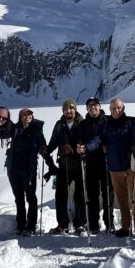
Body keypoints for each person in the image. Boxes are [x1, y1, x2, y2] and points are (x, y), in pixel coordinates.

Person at [0, 94, 58, 236]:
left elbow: (43, 150)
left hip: (29, 170)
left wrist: (51, 165)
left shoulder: (36, 132)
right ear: (20, 117)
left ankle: (30, 226)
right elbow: (1, 116)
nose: (27, 117)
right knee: (18, 198)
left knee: (31, 197)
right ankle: (20, 225)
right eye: (25, 115)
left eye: (30, 115)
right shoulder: (14, 129)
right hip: (13, 169)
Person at [84, 98, 135, 241]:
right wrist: (87, 147)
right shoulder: (106, 126)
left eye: (118, 108)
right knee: (122, 199)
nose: (116, 111)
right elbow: (97, 139)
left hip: (131, 165)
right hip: (114, 168)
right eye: (113, 108)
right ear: (110, 110)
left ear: (123, 108)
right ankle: (125, 227)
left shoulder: (131, 121)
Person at [47, 99, 86, 234]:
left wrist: (76, 148)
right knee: (60, 195)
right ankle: (62, 224)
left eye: (71, 108)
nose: (68, 111)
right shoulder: (59, 125)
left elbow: (86, 141)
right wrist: (45, 149)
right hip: (63, 165)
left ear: (75, 109)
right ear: (63, 111)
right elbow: (53, 142)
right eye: (66, 109)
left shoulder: (82, 123)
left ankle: (80, 223)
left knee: (80, 195)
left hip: (80, 164)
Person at [78, 97, 113, 233]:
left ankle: (109, 222)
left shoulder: (108, 121)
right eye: (90, 105)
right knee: (92, 194)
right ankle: (93, 224)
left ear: (99, 106)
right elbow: (80, 140)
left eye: (95, 105)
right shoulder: (83, 124)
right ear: (87, 108)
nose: (93, 108)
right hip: (91, 162)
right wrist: (80, 147)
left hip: (106, 161)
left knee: (108, 193)